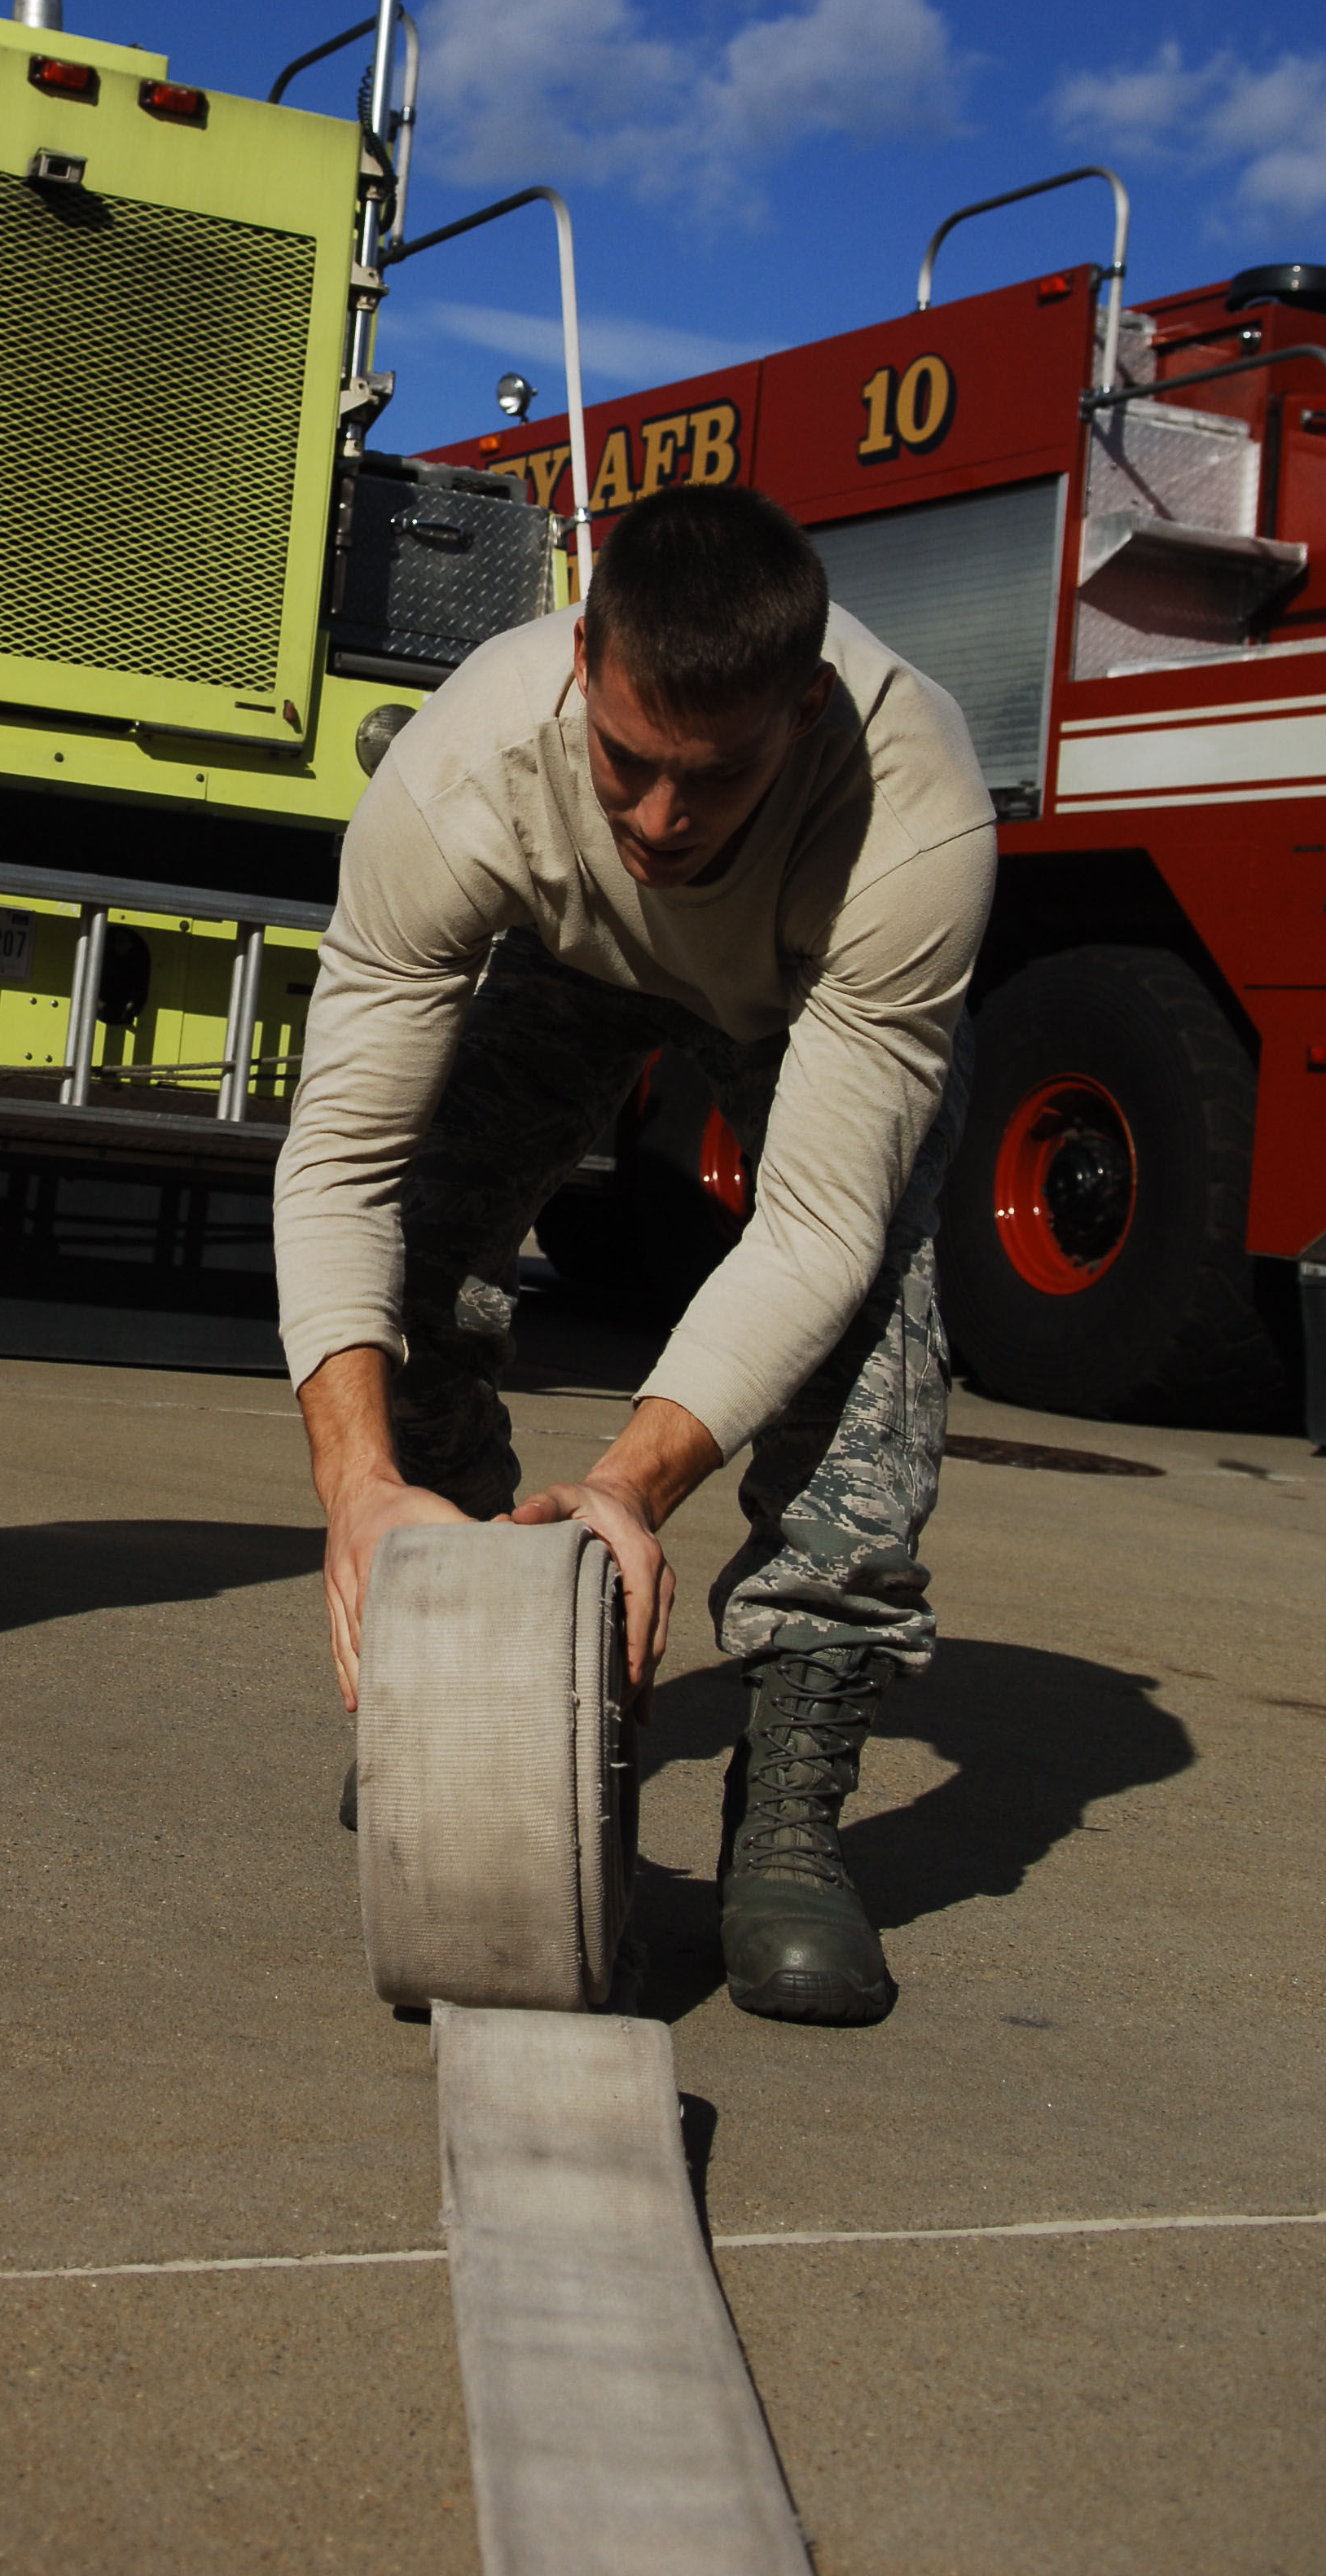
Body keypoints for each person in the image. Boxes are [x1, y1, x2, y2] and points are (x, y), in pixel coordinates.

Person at [274, 481, 997, 2023]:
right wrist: (356, 1490)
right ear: (579, 659)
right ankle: (461, 1653)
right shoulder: (469, 766)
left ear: (802, 714)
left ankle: (789, 1808)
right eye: (626, 763)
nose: (663, 821)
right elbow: (338, 1161)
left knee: (872, 1313)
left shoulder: (919, 815)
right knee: (416, 1248)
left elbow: (811, 1228)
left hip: (805, 994)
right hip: (574, 955)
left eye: (714, 779)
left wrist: (629, 1485)